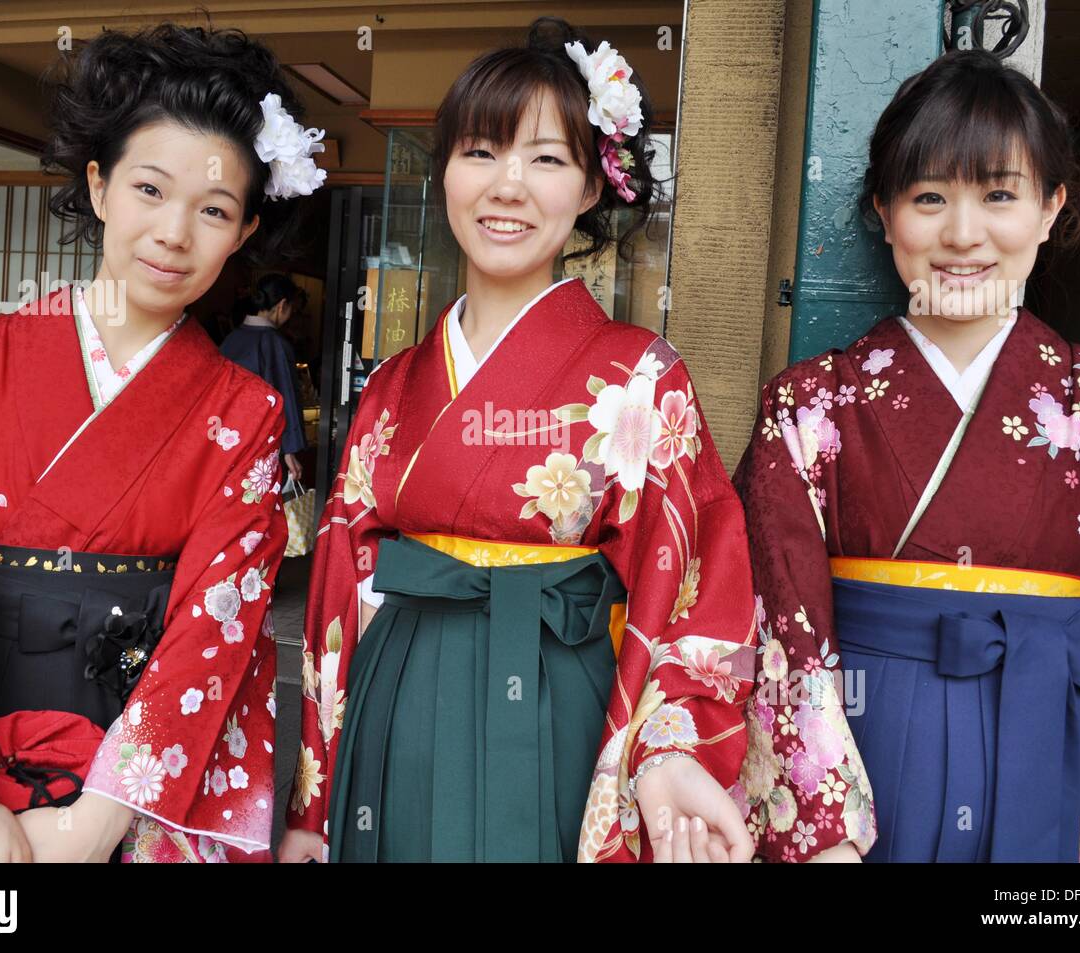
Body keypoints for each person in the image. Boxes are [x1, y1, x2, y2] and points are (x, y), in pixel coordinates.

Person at [278, 16, 758, 864]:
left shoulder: (642, 378)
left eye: (546, 158)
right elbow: (336, 595)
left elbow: (693, 575)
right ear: (446, 176)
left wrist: (671, 748)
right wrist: (313, 808)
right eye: (480, 152)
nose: (508, 185)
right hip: (399, 697)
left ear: (590, 187)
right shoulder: (395, 383)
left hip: (555, 701)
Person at [0, 22, 325, 863]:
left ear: (245, 231)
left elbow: (210, 634)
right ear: (99, 184)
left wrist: (90, 824)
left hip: (133, 798)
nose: (175, 233)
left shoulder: (244, 412)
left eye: (214, 210)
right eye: (150, 189)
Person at [734, 49, 1080, 863]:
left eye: (999, 195)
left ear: (1050, 207)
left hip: (1061, 771)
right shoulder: (809, 405)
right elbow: (776, 619)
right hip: (863, 765)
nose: (963, 234)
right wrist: (821, 829)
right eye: (929, 197)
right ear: (884, 212)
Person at [221, 274, 308, 484]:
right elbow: (285, 395)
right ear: (282, 305)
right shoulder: (274, 343)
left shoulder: (232, 338)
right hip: (259, 444)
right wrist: (289, 449)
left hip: (224, 439)